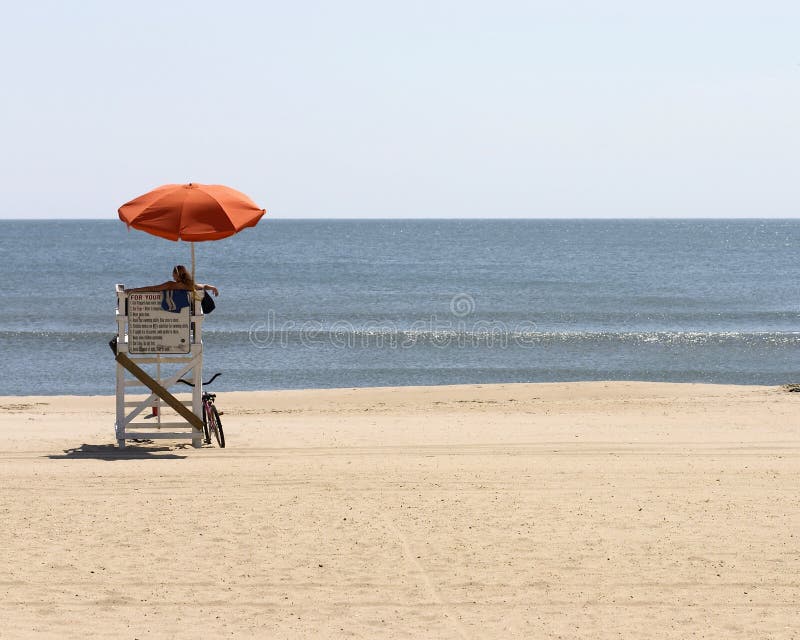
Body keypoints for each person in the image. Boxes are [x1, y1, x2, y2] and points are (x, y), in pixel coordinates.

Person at [125, 265, 219, 297]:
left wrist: (134, 290)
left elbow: (152, 288)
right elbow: (203, 286)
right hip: (187, 314)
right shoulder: (191, 286)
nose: (172, 277)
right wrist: (213, 288)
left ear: (176, 275)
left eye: (173, 275)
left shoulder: (171, 285)